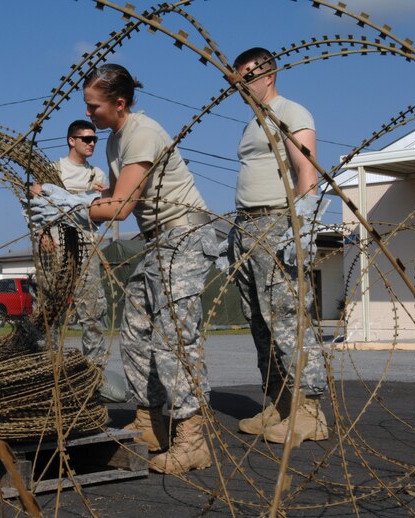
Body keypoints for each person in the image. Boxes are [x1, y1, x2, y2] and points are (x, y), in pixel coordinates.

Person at [30, 64, 217, 474]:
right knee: (135, 328)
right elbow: (111, 198)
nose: (88, 113)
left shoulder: (141, 133)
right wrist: (74, 201)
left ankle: (191, 438)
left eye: (93, 106)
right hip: (158, 240)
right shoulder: (116, 140)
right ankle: (150, 421)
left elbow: (120, 207)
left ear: (118, 103)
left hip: (184, 236)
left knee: (173, 337)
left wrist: (67, 204)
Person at [223, 47, 329, 445]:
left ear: (269, 76)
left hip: (276, 222)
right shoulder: (253, 123)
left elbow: (306, 169)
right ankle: (282, 402)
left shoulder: (291, 112)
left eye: (249, 77)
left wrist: (302, 225)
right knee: (259, 320)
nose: (243, 85)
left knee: (288, 317)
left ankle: (309, 410)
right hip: (247, 225)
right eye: (238, 79)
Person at [53, 120, 109, 366]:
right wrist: (43, 235)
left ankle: (94, 368)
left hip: (87, 243)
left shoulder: (97, 175)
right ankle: (49, 365)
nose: (92, 143)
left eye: (94, 139)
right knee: (51, 307)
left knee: (92, 310)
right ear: (71, 140)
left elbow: (103, 213)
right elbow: (37, 207)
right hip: (57, 243)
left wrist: (102, 197)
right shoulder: (54, 171)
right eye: (86, 139)